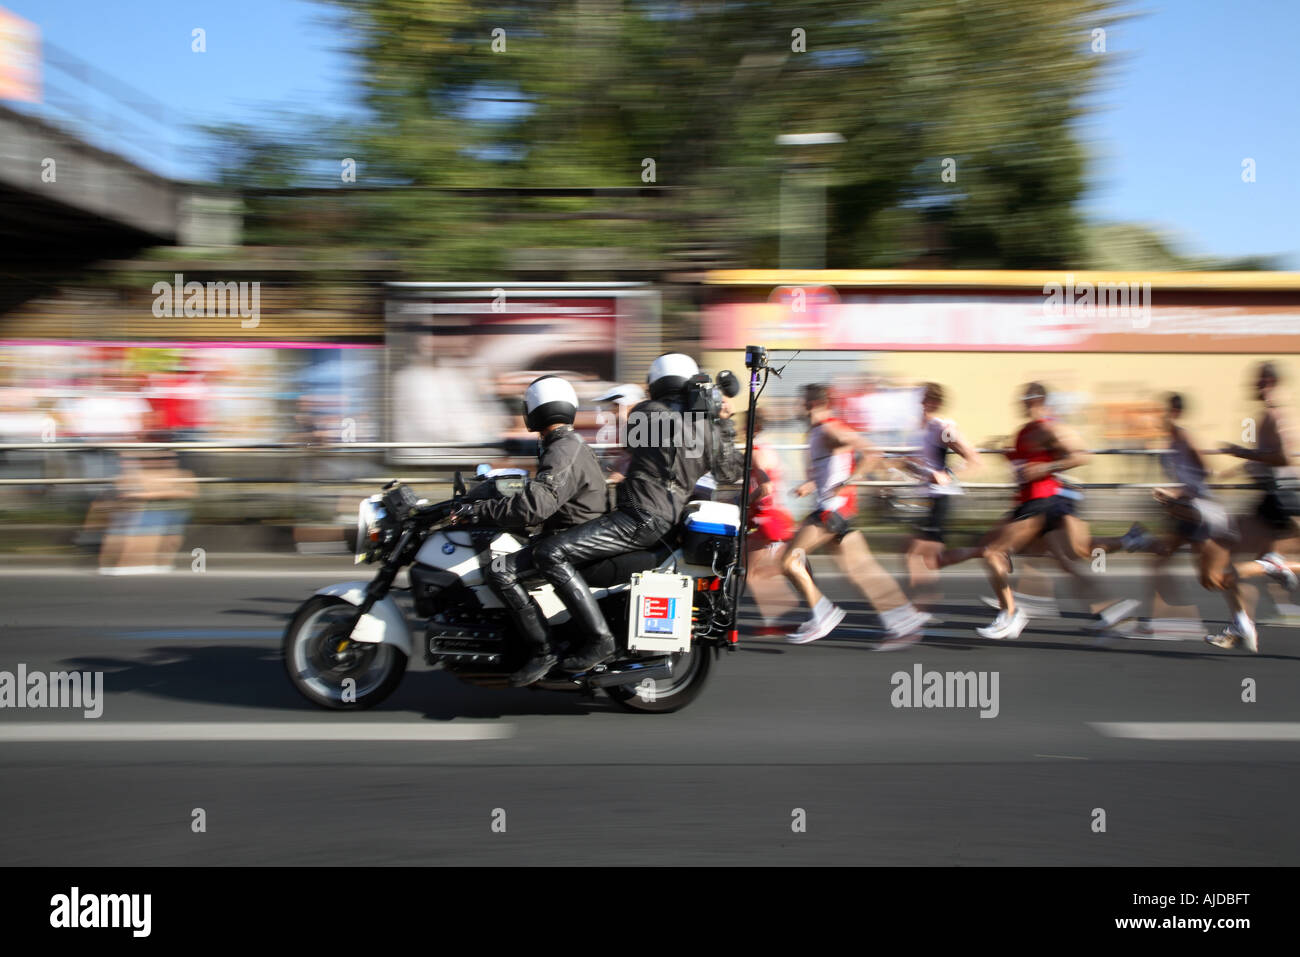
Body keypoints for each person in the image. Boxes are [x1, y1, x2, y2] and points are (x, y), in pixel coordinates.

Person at [521, 354, 744, 672]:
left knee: (551, 552)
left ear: (657, 385)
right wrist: (721, 422)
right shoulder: (706, 428)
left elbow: (636, 438)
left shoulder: (649, 412)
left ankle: (598, 641)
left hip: (639, 517)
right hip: (662, 517)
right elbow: (729, 471)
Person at [951, 383, 1146, 640]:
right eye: (1023, 400)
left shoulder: (1048, 427)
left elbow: (1081, 455)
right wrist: (1004, 454)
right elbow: (1024, 463)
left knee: (993, 552)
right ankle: (1110, 609)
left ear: (1037, 401)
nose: (1023, 404)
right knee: (1066, 561)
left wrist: (1047, 468)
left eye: (1027, 400)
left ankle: (1011, 613)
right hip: (1035, 503)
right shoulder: (1026, 431)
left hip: (1041, 503)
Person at [446, 376, 608, 685]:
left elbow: (535, 507)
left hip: (571, 539)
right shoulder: (562, 444)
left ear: (536, 410)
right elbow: (542, 498)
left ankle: (542, 650)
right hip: (568, 532)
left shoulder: (563, 449)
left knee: (499, 571)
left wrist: (476, 512)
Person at [780, 383, 930, 648]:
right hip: (838, 510)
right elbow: (833, 469)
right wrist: (810, 485)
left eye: (799, 402)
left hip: (831, 511)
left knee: (789, 561)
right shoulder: (819, 431)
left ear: (811, 404)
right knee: (862, 570)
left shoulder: (829, 429)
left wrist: (852, 479)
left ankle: (823, 613)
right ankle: (904, 620)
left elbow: (871, 451)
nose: (796, 406)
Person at [1205, 362, 1300, 652]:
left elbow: (1283, 457)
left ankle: (1274, 569)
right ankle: (1242, 623)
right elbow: (1268, 457)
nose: (1255, 386)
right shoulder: (1269, 416)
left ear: (1270, 382)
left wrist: (1242, 452)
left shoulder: (1274, 415)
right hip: (1274, 500)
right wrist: (1234, 468)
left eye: (1260, 381)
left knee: (1224, 554)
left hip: (1281, 501)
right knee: (1227, 559)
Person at [899, 383, 980, 613]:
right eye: (921, 399)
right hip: (925, 496)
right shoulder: (920, 428)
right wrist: (907, 465)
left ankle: (919, 607)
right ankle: (980, 551)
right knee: (923, 555)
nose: (922, 404)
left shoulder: (940, 427)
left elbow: (972, 456)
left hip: (939, 498)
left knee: (918, 555)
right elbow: (919, 463)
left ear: (935, 402)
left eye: (927, 400)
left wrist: (948, 474)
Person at [744, 407, 800, 635]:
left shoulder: (756, 451)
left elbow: (765, 486)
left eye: (744, 427)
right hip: (772, 515)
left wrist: (745, 501)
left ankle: (780, 617)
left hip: (765, 518)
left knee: (752, 572)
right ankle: (778, 617)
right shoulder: (768, 448)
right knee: (758, 570)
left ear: (753, 427)